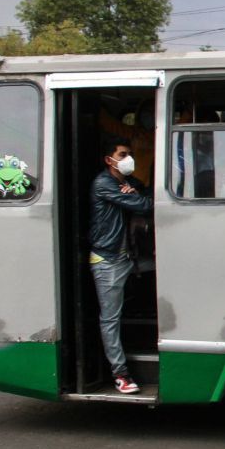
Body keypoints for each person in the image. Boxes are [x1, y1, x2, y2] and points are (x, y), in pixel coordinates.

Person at [89, 138, 153, 394]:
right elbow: (145, 205)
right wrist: (137, 196)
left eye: (130, 154)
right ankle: (120, 374)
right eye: (123, 154)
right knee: (110, 318)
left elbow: (147, 192)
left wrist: (135, 192)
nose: (129, 159)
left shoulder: (127, 183)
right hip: (108, 260)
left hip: (130, 257)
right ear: (109, 160)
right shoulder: (104, 184)